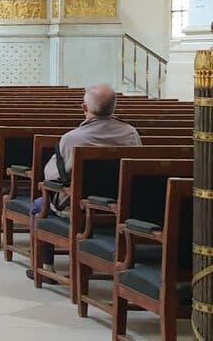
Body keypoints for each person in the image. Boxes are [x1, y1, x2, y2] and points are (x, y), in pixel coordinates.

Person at [28, 84, 141, 280]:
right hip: (121, 207)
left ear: (84, 107)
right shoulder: (131, 134)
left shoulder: (72, 138)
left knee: (38, 206)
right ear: (114, 108)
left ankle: (46, 267)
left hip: (78, 208)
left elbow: (52, 176)